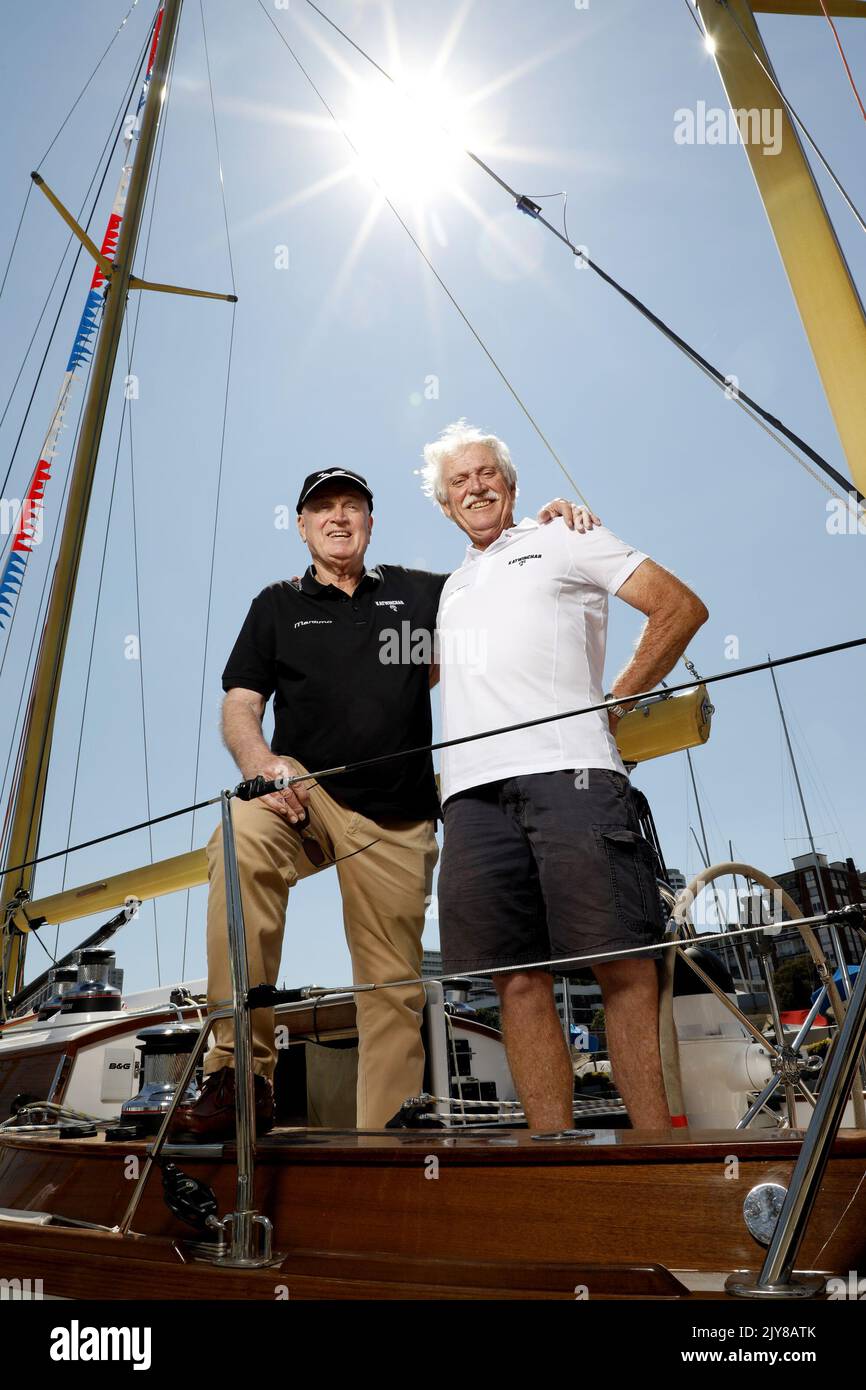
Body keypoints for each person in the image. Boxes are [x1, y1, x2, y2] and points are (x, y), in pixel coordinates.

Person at [176, 465, 598, 1137]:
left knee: (391, 990)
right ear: (303, 526)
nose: (339, 518)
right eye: (323, 510)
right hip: (302, 798)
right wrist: (263, 764)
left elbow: (495, 576)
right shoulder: (276, 604)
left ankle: (386, 1144)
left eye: (352, 507)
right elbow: (241, 706)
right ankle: (239, 1077)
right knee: (238, 840)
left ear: (371, 523)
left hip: (396, 816)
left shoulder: (421, 592)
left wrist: (543, 527)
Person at [423, 422, 709, 1133]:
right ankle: (556, 1153)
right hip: (471, 800)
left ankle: (652, 1156)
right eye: (459, 481)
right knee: (514, 979)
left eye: (487, 473)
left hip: (571, 772)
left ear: (511, 487)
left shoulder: (565, 536)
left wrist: (615, 706)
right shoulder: (448, 591)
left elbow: (679, 607)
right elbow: (388, 680)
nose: (476, 487)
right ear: (445, 505)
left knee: (624, 966)